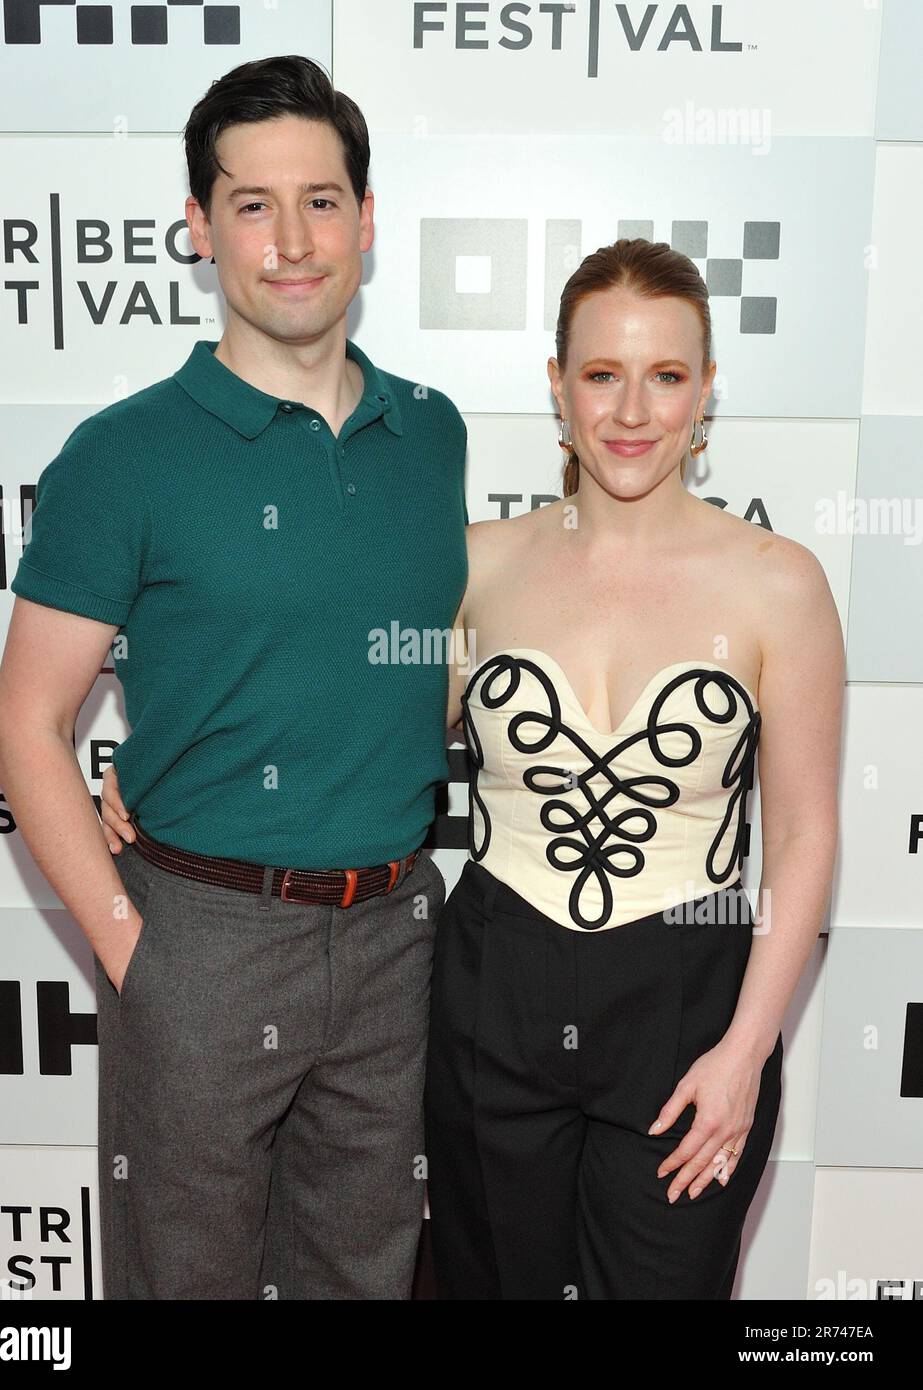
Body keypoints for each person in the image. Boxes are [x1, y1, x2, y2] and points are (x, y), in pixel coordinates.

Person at [0, 55, 466, 1300]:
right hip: (199, 935)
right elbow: (27, 723)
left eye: (321, 200)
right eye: (252, 204)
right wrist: (133, 953)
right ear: (199, 229)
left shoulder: (435, 432)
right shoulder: (122, 453)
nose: (293, 240)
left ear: (368, 221)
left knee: (366, 1280)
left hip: (395, 933)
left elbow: (432, 665)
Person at [421, 238, 844, 1298]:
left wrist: (747, 1048)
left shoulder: (777, 583)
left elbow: (801, 833)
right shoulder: (472, 565)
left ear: (707, 393)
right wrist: (179, 765)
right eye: (601, 373)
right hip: (492, 992)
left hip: (688, 1008)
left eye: (665, 375)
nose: (631, 410)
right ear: (556, 387)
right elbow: (362, 742)